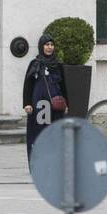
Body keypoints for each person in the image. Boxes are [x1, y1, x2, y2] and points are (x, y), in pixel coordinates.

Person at [22, 33, 66, 165]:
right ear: (41, 46)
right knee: (39, 132)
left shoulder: (58, 64)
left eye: (52, 44)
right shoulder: (35, 64)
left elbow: (63, 85)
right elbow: (28, 85)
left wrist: (66, 102)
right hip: (40, 104)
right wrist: (27, 103)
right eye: (47, 45)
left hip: (56, 104)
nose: (50, 47)